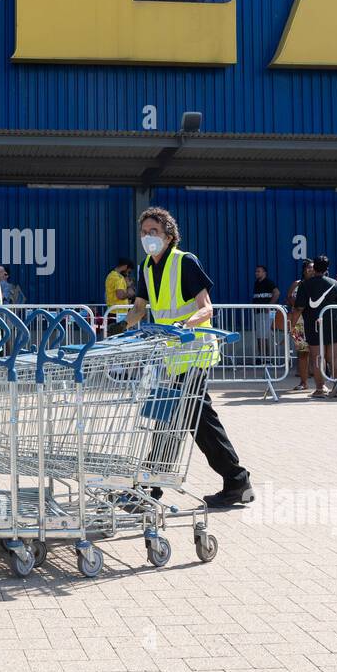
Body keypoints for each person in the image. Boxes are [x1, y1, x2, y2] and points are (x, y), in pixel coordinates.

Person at [122, 206, 254, 508]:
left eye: (153, 232)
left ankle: (150, 487)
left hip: (194, 351)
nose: (147, 238)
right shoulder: (146, 267)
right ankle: (237, 481)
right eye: (144, 233)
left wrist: (186, 324)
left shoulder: (185, 262)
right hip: (172, 356)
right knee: (199, 420)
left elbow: (207, 306)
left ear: (169, 235)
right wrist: (121, 326)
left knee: (169, 419)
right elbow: (140, 308)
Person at [292, 255, 337, 399]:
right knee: (334, 357)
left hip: (314, 325)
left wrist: (291, 325)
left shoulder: (305, 285)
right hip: (334, 324)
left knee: (317, 357)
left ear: (314, 268)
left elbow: (298, 308)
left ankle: (320, 388)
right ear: (327, 268)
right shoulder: (335, 283)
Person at [285, 262, 312, 390]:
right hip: (299, 321)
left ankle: (321, 383)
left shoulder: (318, 283)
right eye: (308, 267)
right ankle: (303, 382)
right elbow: (289, 297)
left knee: (318, 353)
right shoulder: (297, 283)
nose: (311, 270)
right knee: (302, 353)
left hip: (314, 321)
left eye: (313, 267)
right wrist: (296, 303)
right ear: (304, 270)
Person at [251, 265, 279, 358]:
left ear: (264, 273)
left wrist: (269, 305)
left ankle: (267, 357)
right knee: (260, 335)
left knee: (265, 335)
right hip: (258, 313)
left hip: (267, 313)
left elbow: (277, 293)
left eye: (259, 271)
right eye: (256, 271)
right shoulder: (257, 283)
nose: (256, 273)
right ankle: (261, 356)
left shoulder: (268, 282)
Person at [104, 257, 134, 335]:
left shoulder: (110, 275)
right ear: (125, 267)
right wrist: (130, 293)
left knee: (111, 336)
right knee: (119, 338)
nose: (128, 274)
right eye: (128, 271)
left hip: (111, 311)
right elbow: (120, 295)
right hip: (119, 313)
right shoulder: (119, 278)